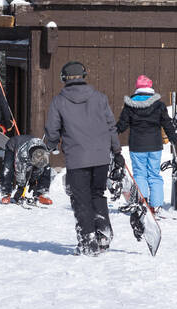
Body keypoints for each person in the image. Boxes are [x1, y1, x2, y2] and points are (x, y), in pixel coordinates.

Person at [44, 60, 121, 255]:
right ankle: (102, 234)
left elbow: (52, 131)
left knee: (81, 199)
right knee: (97, 194)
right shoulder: (100, 98)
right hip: (101, 157)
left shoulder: (58, 101)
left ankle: (88, 240)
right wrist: (117, 152)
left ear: (64, 78)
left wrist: (50, 146)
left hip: (77, 157)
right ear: (83, 76)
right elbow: (111, 126)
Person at [114, 75, 177, 212]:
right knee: (154, 174)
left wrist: (112, 133)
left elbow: (122, 125)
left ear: (137, 88)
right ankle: (156, 204)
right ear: (150, 88)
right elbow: (167, 123)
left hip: (137, 145)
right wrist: (173, 138)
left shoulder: (130, 105)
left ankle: (142, 202)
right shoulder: (159, 105)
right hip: (155, 145)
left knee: (139, 174)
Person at [0, 134, 53, 205]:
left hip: (32, 148)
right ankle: (5, 193)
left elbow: (39, 168)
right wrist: (21, 187)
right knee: (8, 168)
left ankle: (42, 193)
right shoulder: (22, 154)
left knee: (46, 167)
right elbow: (20, 170)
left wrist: (33, 182)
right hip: (13, 145)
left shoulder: (44, 152)